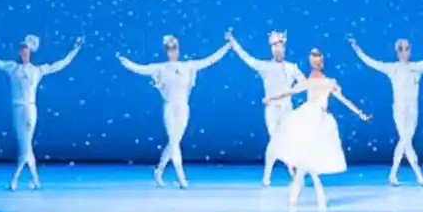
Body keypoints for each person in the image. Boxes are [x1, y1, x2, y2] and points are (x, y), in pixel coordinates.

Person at [0, 33, 84, 190]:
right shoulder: (12, 68)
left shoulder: (37, 70)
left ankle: (15, 179)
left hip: (29, 108)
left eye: (27, 51)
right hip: (17, 109)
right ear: (19, 52)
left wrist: (74, 51)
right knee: (25, 144)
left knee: (26, 144)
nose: (25, 53)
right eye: (22, 51)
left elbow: (60, 64)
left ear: (30, 52)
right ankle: (35, 180)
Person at [348, 33, 423, 185]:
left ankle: (393, 174)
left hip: (412, 109)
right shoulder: (392, 69)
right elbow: (370, 62)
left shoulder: (417, 68)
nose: (405, 52)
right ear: (397, 52)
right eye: (402, 49)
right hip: (400, 109)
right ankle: (418, 174)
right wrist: (357, 49)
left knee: (405, 140)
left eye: (407, 49)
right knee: (405, 139)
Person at [117, 33, 231, 188]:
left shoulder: (188, 66)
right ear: (166, 51)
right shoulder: (160, 68)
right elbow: (139, 69)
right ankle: (181, 176)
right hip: (170, 107)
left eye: (174, 48)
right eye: (169, 49)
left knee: (174, 142)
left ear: (178, 50)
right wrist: (124, 60)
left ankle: (159, 170)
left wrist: (227, 46)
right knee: (173, 141)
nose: (172, 52)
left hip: (183, 107)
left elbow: (210, 60)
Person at [265, 47, 372, 212]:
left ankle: (299, 196)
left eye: (318, 59)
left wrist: (360, 113)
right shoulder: (310, 81)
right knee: (306, 161)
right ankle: (306, 196)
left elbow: (343, 99)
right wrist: (271, 97)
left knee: (307, 162)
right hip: (308, 117)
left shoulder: (329, 82)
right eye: (314, 59)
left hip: (319, 119)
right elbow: (289, 91)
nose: (316, 63)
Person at [226, 28, 305, 185]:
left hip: (287, 110)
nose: (277, 49)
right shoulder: (265, 66)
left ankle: (292, 170)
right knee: (275, 140)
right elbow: (247, 58)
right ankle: (268, 175)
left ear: (284, 47)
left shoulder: (291, 67)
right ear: (271, 48)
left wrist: (291, 92)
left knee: (289, 140)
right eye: (274, 46)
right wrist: (234, 44)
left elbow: (303, 83)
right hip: (272, 110)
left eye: (280, 46)